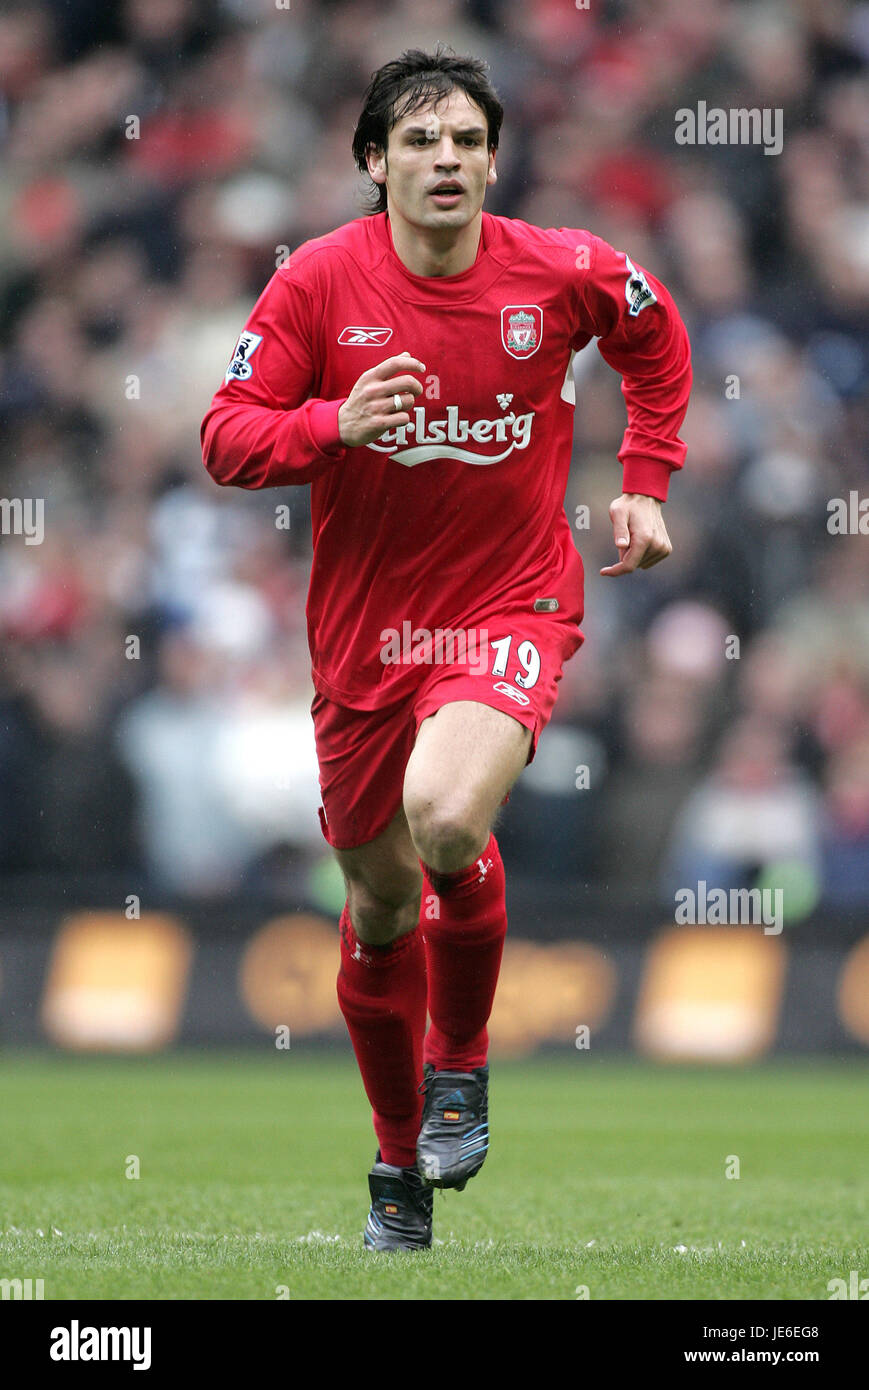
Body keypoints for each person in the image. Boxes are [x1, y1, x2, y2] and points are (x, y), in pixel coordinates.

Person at [201, 46, 692, 1251]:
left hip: (507, 604)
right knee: (375, 911)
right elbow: (224, 437)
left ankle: (461, 1065)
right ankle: (395, 1165)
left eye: (468, 141)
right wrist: (330, 421)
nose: (447, 161)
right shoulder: (317, 285)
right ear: (374, 162)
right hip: (363, 637)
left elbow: (655, 331)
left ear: (491, 160)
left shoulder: (561, 269)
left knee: (447, 820)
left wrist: (643, 479)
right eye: (420, 142)